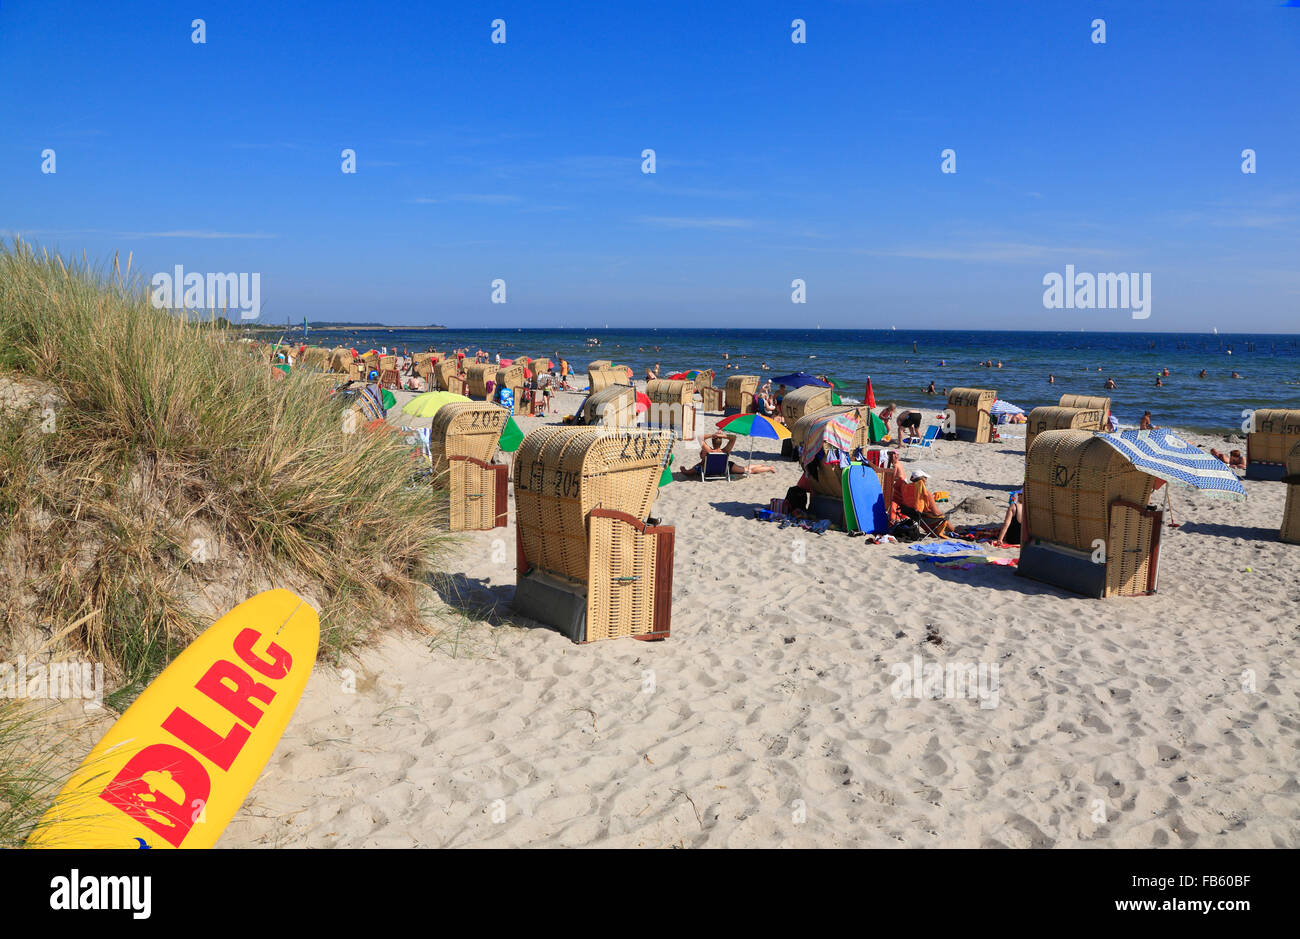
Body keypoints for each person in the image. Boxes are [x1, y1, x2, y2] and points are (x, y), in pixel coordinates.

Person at [686, 433, 776, 476]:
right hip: (727, 466)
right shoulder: (725, 451)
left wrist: (712, 435)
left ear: (712, 442)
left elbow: (700, 437)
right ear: (721, 442)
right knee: (745, 468)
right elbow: (733, 438)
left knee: (749, 471)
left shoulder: (709, 451)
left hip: (722, 467)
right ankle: (760, 465)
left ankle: (769, 468)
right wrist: (723, 436)